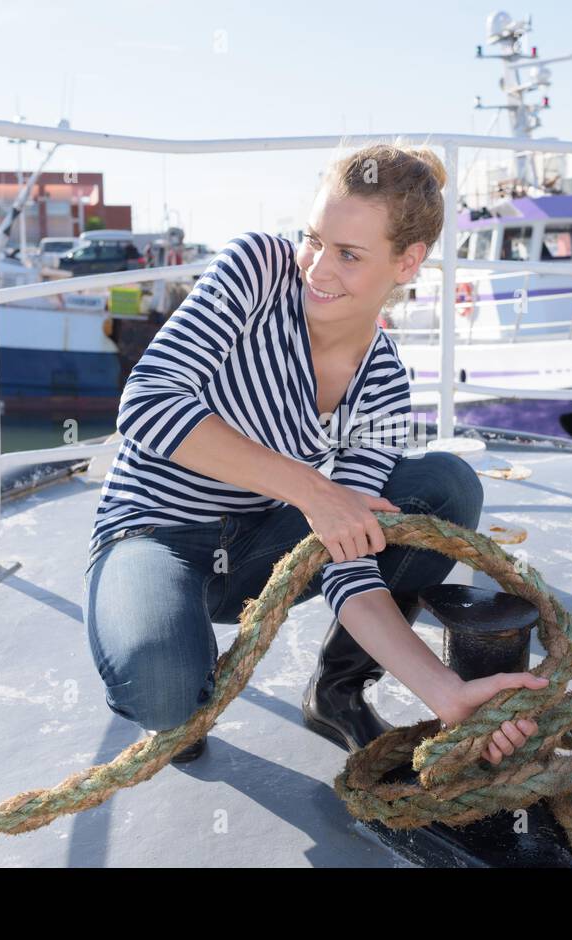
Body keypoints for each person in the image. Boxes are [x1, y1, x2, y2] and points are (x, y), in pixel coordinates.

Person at [83, 142, 546, 766]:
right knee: (166, 698)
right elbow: (148, 404)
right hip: (154, 533)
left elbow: (351, 561)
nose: (318, 269)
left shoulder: (382, 382)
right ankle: (165, 663)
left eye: (350, 255)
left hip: (261, 549)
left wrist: (448, 695)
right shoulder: (256, 267)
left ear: (407, 263)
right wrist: (313, 489)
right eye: (314, 239)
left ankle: (338, 689)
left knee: (445, 487)